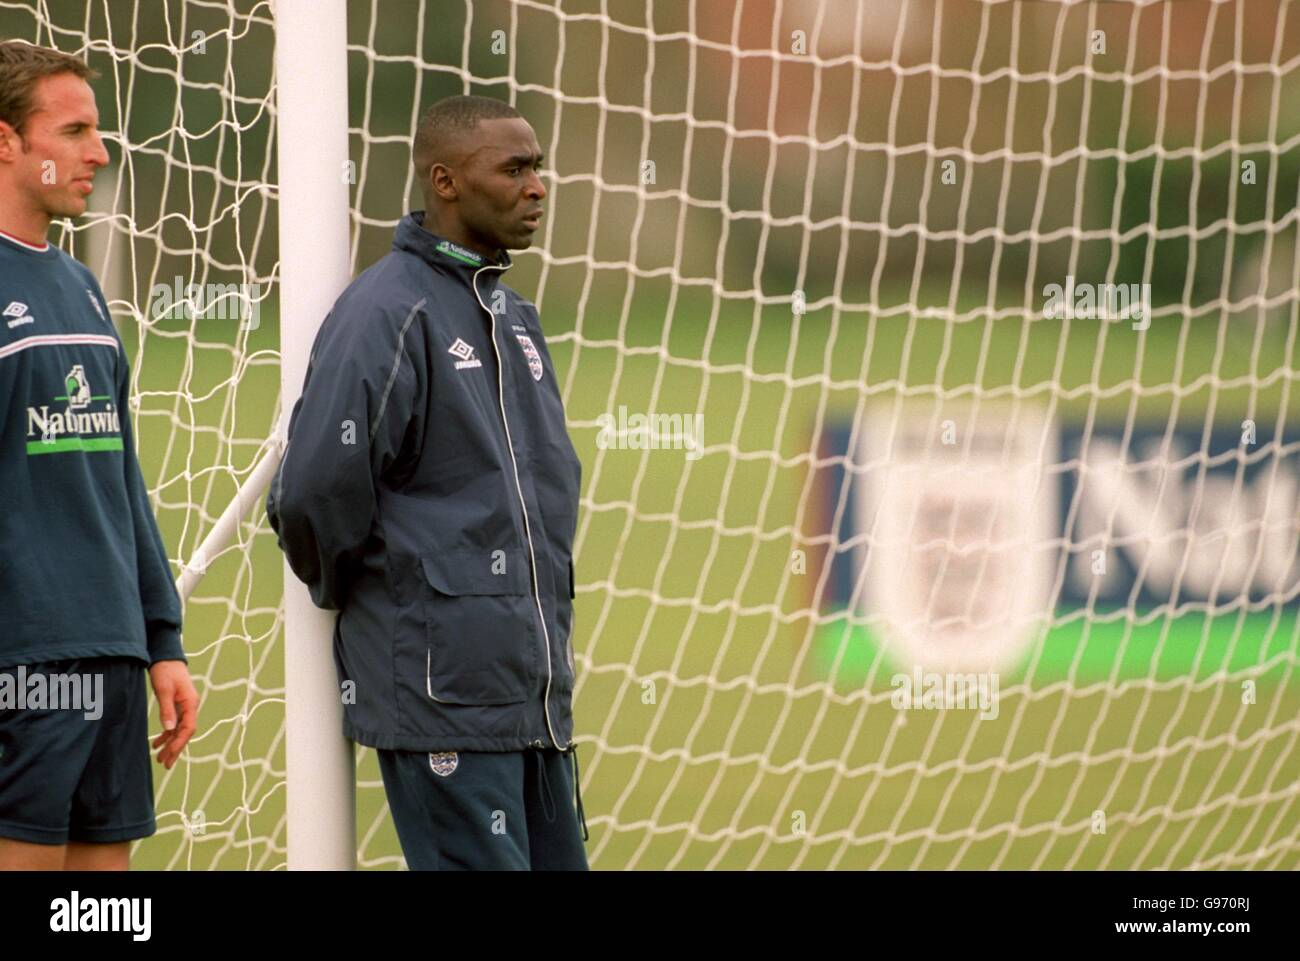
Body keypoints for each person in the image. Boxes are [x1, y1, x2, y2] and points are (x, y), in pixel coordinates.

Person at [268, 94, 587, 870]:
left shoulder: (516, 316)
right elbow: (313, 492)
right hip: (445, 700)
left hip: (534, 698)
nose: (537, 186)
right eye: (514, 168)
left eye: (538, 167)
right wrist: (394, 599)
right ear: (444, 181)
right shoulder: (386, 312)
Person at [0, 41, 199, 871]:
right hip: (24, 665)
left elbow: (121, 480)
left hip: (112, 656)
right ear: (6, 142)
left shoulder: (81, 285)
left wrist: (162, 640)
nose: (100, 152)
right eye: (74, 129)